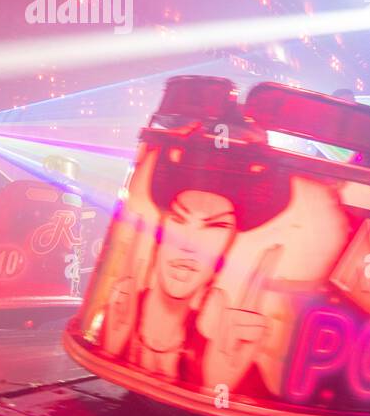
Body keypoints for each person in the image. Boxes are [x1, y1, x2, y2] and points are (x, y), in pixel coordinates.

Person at [102, 149, 290, 397]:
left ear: (228, 248)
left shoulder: (228, 355)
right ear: (160, 233)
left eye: (216, 226)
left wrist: (219, 386)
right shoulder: (119, 315)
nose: (189, 244)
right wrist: (110, 348)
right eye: (179, 219)